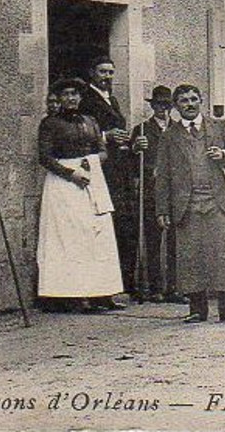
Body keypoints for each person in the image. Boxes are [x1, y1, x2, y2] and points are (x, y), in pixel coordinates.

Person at [154, 84, 225, 324]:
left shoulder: (219, 127)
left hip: (217, 200)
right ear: (176, 106)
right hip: (186, 204)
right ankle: (197, 309)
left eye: (193, 99)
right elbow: (163, 175)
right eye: (183, 101)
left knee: (224, 253)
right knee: (190, 255)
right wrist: (162, 208)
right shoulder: (170, 135)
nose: (189, 104)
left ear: (201, 100)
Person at [36, 77, 125, 313]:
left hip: (92, 179)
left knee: (99, 235)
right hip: (64, 185)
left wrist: (93, 162)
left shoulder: (90, 120)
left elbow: (102, 149)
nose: (71, 98)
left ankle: (101, 293)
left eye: (75, 94)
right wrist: (71, 173)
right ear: (60, 99)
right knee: (72, 237)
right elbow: (44, 157)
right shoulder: (50, 124)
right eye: (66, 95)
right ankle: (74, 295)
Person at [76, 55, 135, 299]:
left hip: (118, 167)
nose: (107, 77)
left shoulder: (113, 99)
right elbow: (81, 131)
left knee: (121, 223)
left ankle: (120, 283)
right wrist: (106, 136)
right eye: (103, 72)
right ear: (92, 73)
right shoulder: (85, 101)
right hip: (99, 167)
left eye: (111, 72)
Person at [127, 86, 181, 303]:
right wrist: (135, 149)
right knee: (152, 237)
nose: (163, 109)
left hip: (176, 189)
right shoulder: (141, 130)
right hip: (152, 188)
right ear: (153, 106)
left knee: (175, 239)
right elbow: (132, 163)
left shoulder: (178, 129)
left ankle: (174, 287)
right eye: (159, 105)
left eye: (167, 105)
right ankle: (154, 286)